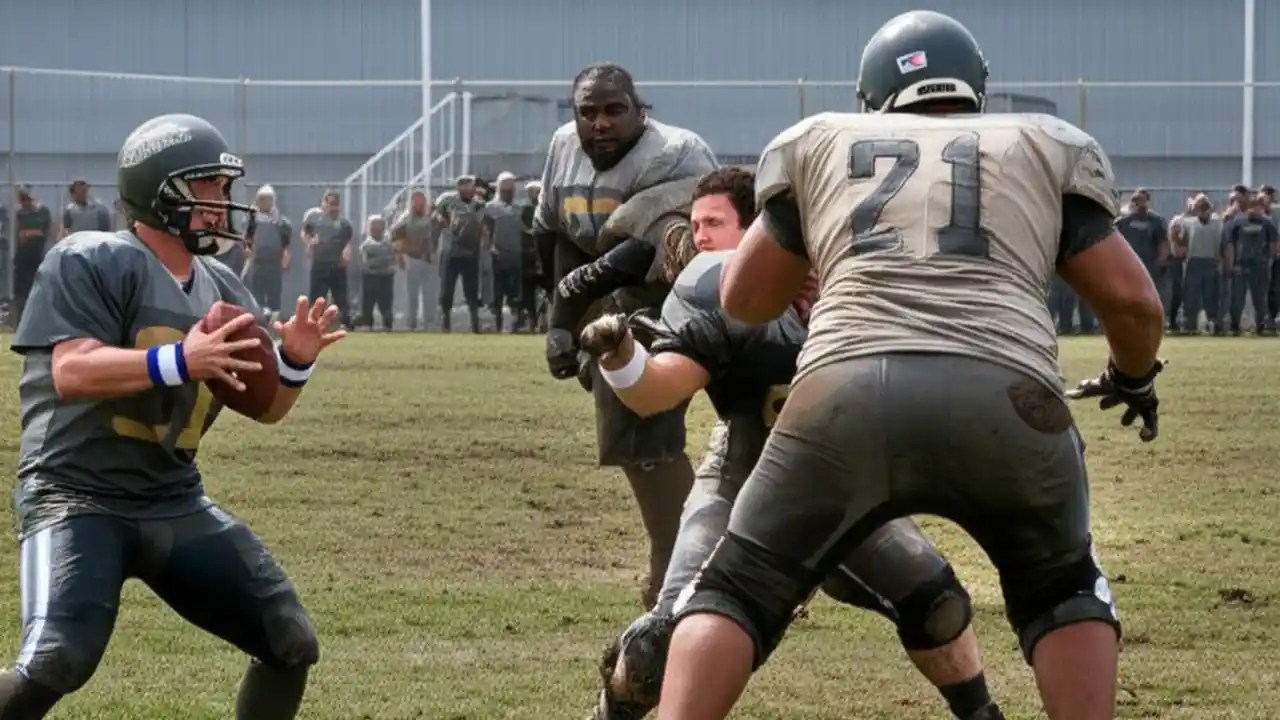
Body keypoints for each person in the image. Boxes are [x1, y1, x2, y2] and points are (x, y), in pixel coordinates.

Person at [654, 11, 1166, 720]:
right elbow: (1134, 303)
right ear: (977, 87)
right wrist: (1133, 378)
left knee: (736, 589)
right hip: (1007, 394)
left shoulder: (823, 143)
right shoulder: (1039, 144)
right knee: (1063, 588)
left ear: (870, 94)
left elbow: (745, 298)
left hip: (844, 391)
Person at [578, 167, 1002, 720]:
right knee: (665, 640)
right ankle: (612, 713)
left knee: (938, 605)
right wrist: (620, 356)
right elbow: (655, 390)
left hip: (845, 487)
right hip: (745, 479)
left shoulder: (870, 298)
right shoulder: (724, 296)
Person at [1, 113, 346, 720]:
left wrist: (293, 362)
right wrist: (180, 358)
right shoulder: (90, 256)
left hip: (171, 498)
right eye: (208, 187)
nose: (223, 204)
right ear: (162, 189)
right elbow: (71, 372)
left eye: (223, 188)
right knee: (54, 662)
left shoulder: (224, 286)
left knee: (289, 641)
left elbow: (267, 408)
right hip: (76, 495)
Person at [531, 62, 719, 606]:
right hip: (611, 297)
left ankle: (683, 572)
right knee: (635, 422)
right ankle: (695, 562)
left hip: (684, 296)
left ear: (642, 111)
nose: (600, 124)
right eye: (587, 112)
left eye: (615, 110)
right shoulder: (564, 147)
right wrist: (559, 325)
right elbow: (556, 232)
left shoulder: (678, 153)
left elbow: (660, 248)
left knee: (644, 414)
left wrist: (572, 303)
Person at [434, 175, 487, 333]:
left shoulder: (478, 203)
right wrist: (442, 221)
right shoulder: (448, 201)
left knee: (471, 289)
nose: (468, 190)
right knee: (447, 288)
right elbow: (435, 215)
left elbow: (480, 222)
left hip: (470, 251)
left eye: (470, 187)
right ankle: (446, 321)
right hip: (451, 251)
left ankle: (475, 322)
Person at [1224, 194, 1278, 335]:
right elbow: (1230, 244)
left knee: (1260, 299)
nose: (1255, 210)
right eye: (1252, 207)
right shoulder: (1238, 223)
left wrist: (1268, 260)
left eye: (1258, 207)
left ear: (1261, 208)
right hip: (1240, 266)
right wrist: (1231, 265)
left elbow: (1274, 244)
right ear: (1247, 208)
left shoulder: (1268, 224)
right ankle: (1235, 327)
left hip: (1260, 267)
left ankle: (1261, 327)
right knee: (1237, 299)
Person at [244, 185, 293, 315]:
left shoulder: (281, 222)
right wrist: (248, 251)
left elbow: (286, 244)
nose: (265, 202)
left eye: (268, 199)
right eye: (262, 199)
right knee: (257, 291)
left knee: (274, 292)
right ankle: (259, 317)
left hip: (274, 262)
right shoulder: (251, 219)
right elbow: (247, 238)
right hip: (257, 261)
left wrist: (286, 256)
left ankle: (273, 320)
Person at [360, 214, 397, 330]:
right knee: (368, 304)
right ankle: (367, 325)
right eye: (372, 226)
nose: (374, 229)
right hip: (370, 278)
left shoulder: (389, 244)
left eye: (377, 226)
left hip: (385, 278)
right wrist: (381, 261)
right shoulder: (366, 245)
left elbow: (392, 259)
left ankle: (387, 325)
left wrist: (379, 261)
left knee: (386, 304)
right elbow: (366, 262)